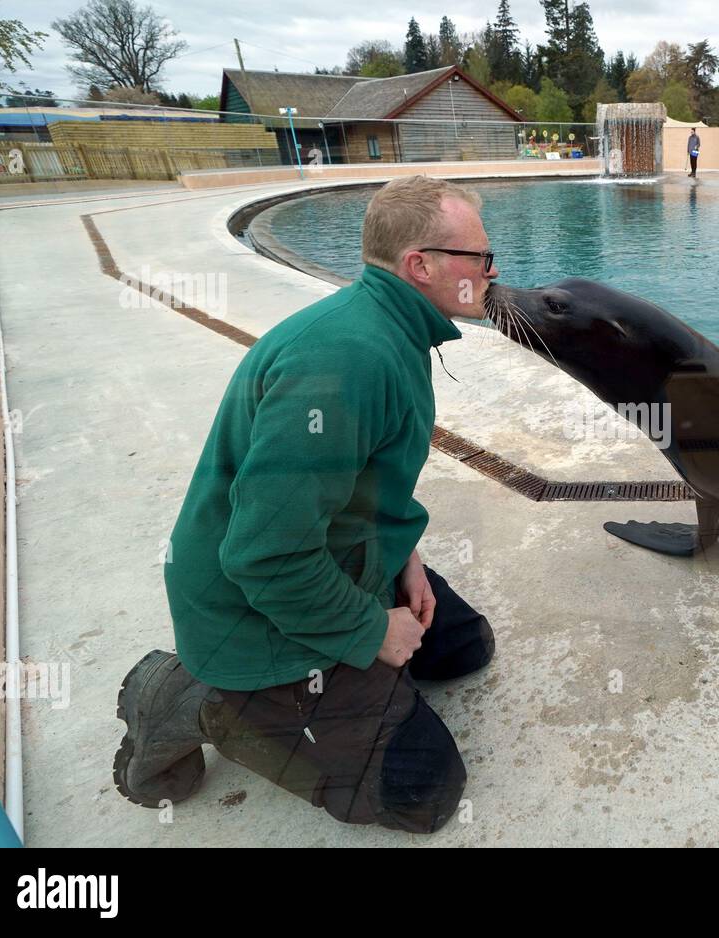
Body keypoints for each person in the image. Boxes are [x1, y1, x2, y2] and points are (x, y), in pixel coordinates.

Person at [112, 176, 501, 834]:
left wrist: (402, 559)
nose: (492, 272)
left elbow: (366, 485)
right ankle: (188, 697)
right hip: (256, 605)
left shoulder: (392, 330)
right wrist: (371, 630)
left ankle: (344, 683)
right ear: (421, 265)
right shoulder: (347, 361)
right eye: (480, 259)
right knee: (422, 789)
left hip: (341, 556)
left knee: (461, 648)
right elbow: (264, 557)